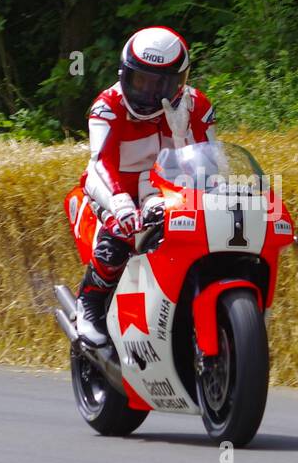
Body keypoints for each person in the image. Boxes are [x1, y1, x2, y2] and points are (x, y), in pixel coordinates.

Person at [75, 26, 218, 346]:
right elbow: (100, 163)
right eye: (140, 81)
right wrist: (121, 203)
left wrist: (182, 133)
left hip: (165, 192)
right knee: (123, 230)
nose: (147, 92)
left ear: (180, 82)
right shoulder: (107, 106)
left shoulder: (197, 106)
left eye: (161, 84)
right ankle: (90, 303)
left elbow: (208, 165)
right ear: (125, 74)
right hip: (112, 190)